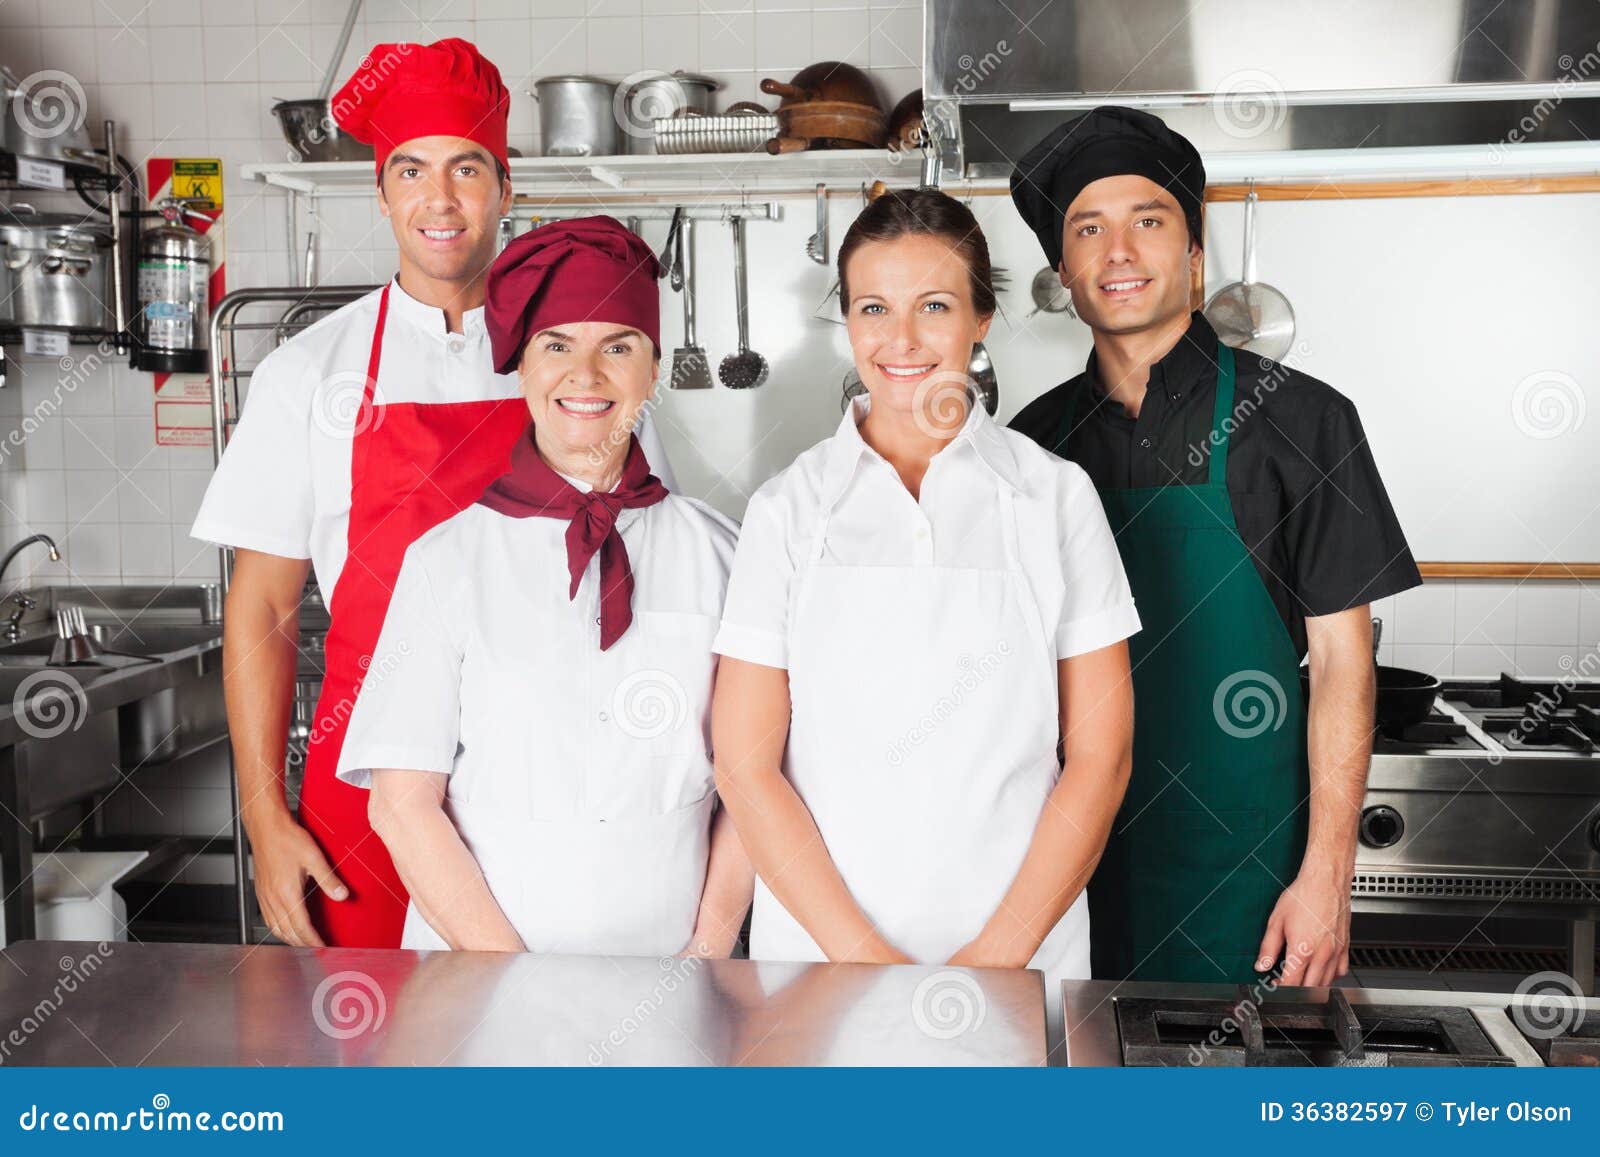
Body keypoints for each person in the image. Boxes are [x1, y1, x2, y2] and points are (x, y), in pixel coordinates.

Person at [191, 38, 677, 949]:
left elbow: (648, 561)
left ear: (505, 184)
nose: (439, 199)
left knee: (544, 1025)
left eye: (467, 168)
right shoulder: (310, 371)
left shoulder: (575, 368)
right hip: (364, 782)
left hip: (541, 781)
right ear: (380, 192)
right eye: (410, 170)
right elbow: (261, 605)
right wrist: (264, 816)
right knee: (374, 1031)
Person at [1008, 106, 1422, 986]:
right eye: (1089, 229)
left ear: (1195, 255)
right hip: (1069, 875)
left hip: (1253, 876)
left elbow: (1343, 666)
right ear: (1064, 272)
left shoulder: (1308, 421)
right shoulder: (1027, 447)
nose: (1119, 252)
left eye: (1148, 221)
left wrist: (1328, 878)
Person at [711, 189, 1138, 997]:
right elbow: (746, 766)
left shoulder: (1054, 496)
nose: (901, 339)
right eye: (873, 307)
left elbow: (1101, 757)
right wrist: (871, 968)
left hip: (1021, 969)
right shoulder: (787, 509)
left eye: (934, 306)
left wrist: (992, 964)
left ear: (981, 319)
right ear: (846, 320)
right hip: (821, 970)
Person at [336, 216, 751, 957]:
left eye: (618, 347)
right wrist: (512, 979)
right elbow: (402, 806)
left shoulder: (724, 555)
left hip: (674, 974)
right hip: (476, 975)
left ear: (653, 371)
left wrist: (704, 958)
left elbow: (755, 787)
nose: (585, 376)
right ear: (521, 368)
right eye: (556, 345)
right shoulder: (446, 560)